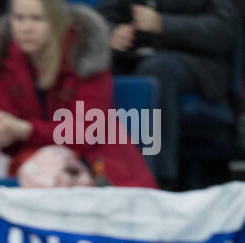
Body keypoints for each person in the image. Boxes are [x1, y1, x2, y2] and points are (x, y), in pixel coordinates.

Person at [0, 0, 158, 187]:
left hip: (101, 165)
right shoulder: (4, 62)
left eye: (38, 19)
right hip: (38, 168)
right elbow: (11, 132)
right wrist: (0, 134)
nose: (26, 28)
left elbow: (88, 132)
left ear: (57, 22)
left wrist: (26, 130)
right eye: (19, 18)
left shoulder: (85, 57)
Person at [97, 0, 239, 187]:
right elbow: (101, 18)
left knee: (157, 72)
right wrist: (111, 33)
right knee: (95, 68)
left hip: (198, 63)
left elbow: (223, 30)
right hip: (133, 57)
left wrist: (164, 24)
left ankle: (157, 179)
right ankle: (97, 171)